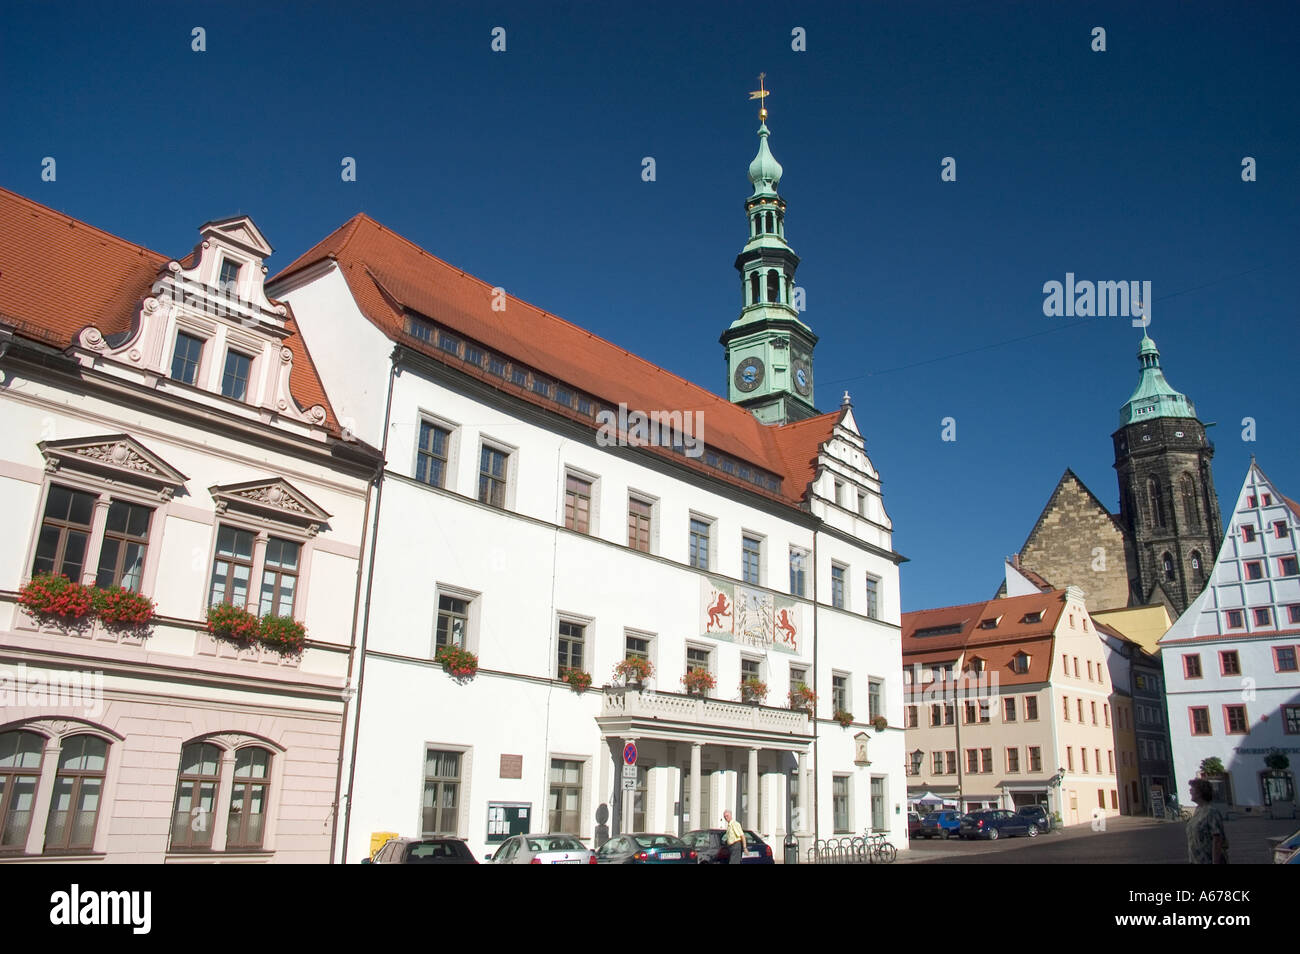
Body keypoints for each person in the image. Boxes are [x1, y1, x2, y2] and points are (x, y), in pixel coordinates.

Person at [1185, 778, 1229, 864]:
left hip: (1208, 860)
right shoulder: (1198, 810)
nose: (1190, 790)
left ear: (1200, 792)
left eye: (1192, 788)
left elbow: (1217, 839)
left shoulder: (1211, 812)